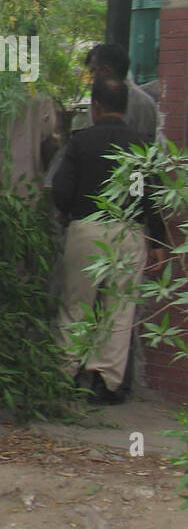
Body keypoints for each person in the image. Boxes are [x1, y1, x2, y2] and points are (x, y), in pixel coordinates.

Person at [52, 74, 168, 404]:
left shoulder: (80, 142)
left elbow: (61, 191)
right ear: (125, 107)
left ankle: (67, 374)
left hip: (86, 228)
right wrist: (157, 244)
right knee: (119, 307)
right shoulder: (143, 145)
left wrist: (69, 213)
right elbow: (154, 197)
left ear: (96, 107)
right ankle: (106, 383)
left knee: (76, 303)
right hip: (129, 231)